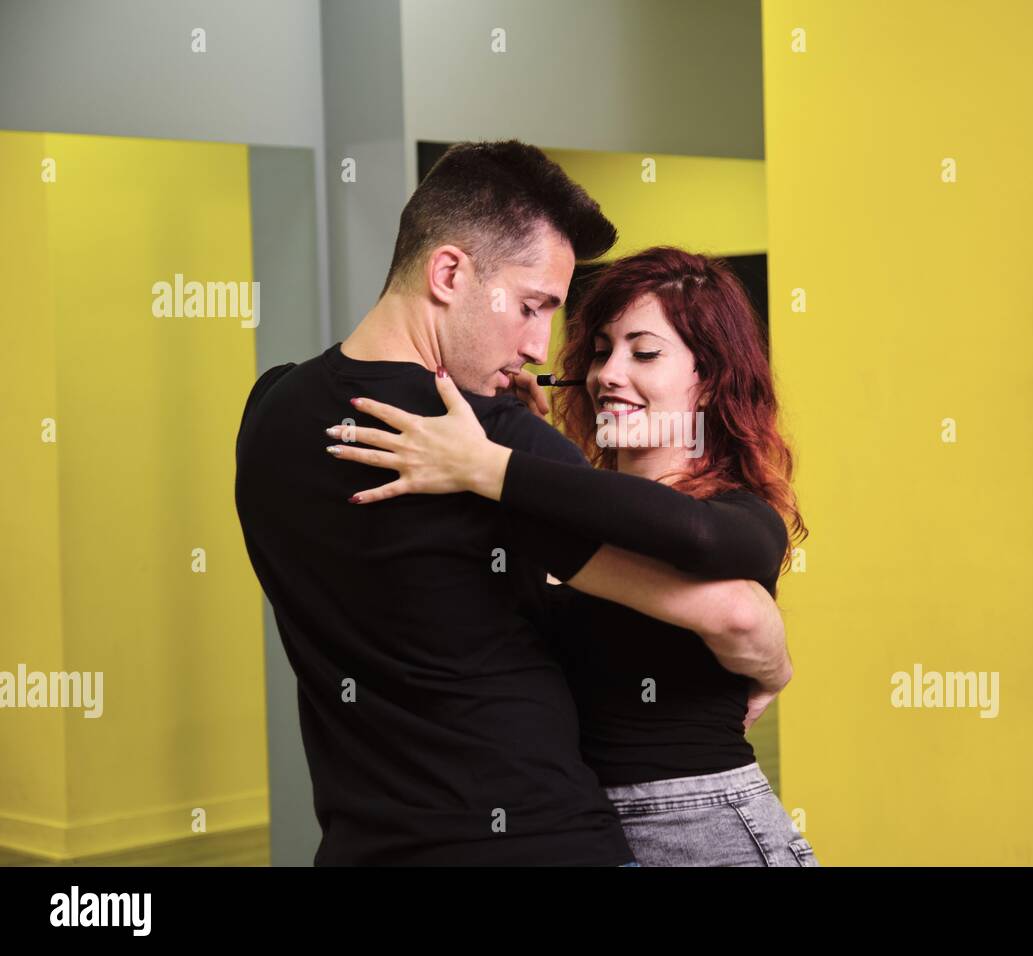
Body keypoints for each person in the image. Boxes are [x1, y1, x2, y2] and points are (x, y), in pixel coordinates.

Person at [234, 141, 790, 865]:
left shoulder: (270, 408)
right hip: (534, 839)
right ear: (449, 272)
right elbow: (735, 607)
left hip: (363, 844)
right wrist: (774, 664)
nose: (538, 346)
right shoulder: (493, 440)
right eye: (533, 308)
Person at [326, 246, 819, 866]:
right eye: (601, 350)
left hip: (701, 822)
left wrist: (492, 465)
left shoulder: (739, 511)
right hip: (577, 827)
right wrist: (520, 441)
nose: (609, 373)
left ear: (710, 378)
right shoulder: (565, 498)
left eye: (644, 352)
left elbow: (695, 538)